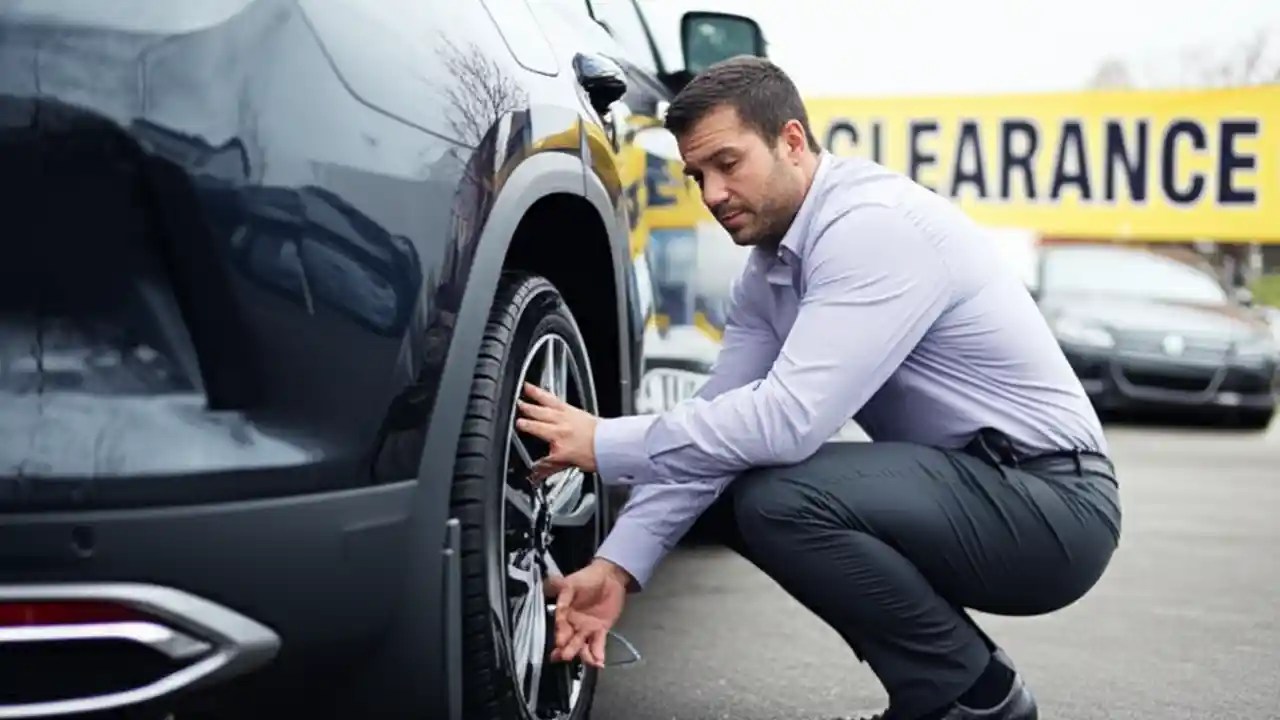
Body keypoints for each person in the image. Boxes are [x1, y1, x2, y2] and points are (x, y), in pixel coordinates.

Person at [515, 55, 1121, 720]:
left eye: (728, 163)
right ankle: (954, 692)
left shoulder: (872, 227)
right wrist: (617, 566)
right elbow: (717, 419)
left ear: (793, 142)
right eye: (697, 176)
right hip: (981, 486)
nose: (712, 193)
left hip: (1051, 504)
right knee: (729, 477)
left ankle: (968, 698)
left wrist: (604, 441)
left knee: (776, 493)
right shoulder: (769, 272)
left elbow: (788, 422)